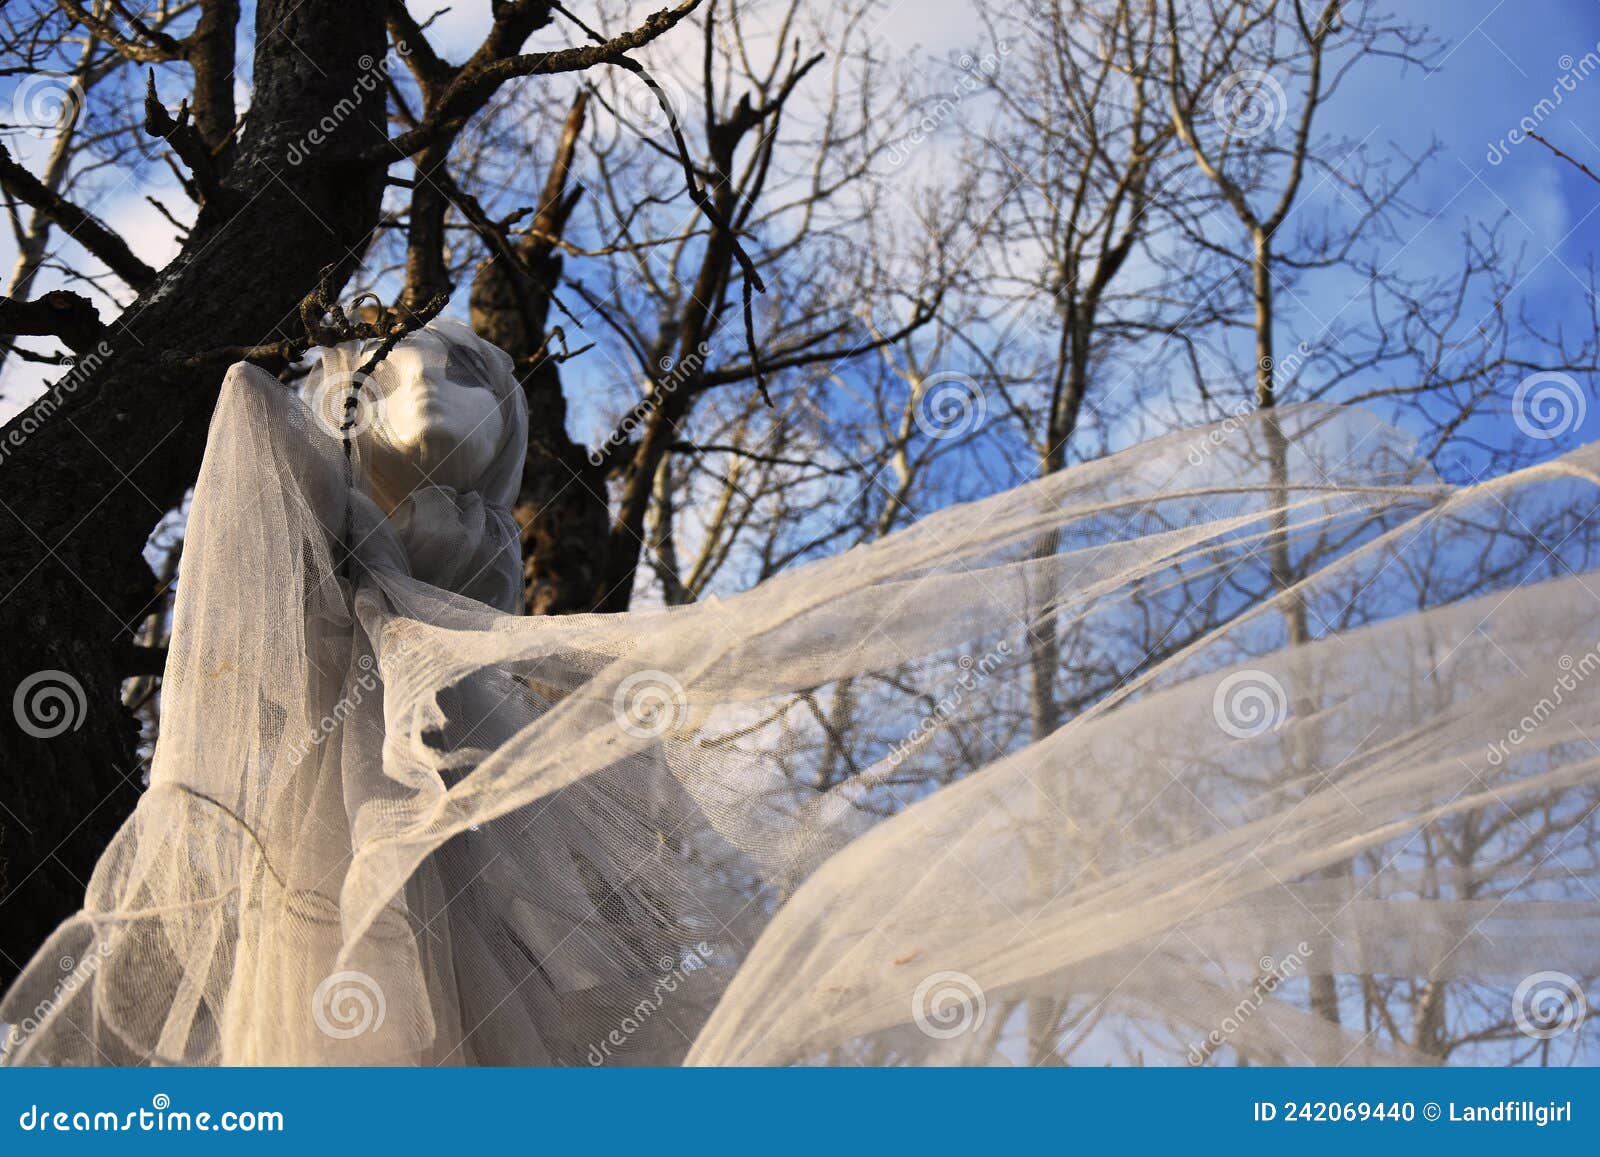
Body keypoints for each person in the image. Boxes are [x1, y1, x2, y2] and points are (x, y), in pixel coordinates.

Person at [4, 319, 1596, 1066]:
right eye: (419, 372)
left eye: (476, 376)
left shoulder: (501, 606)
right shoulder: (302, 478)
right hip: (337, 848)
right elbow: (267, 458)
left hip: (486, 872)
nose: (443, 386)